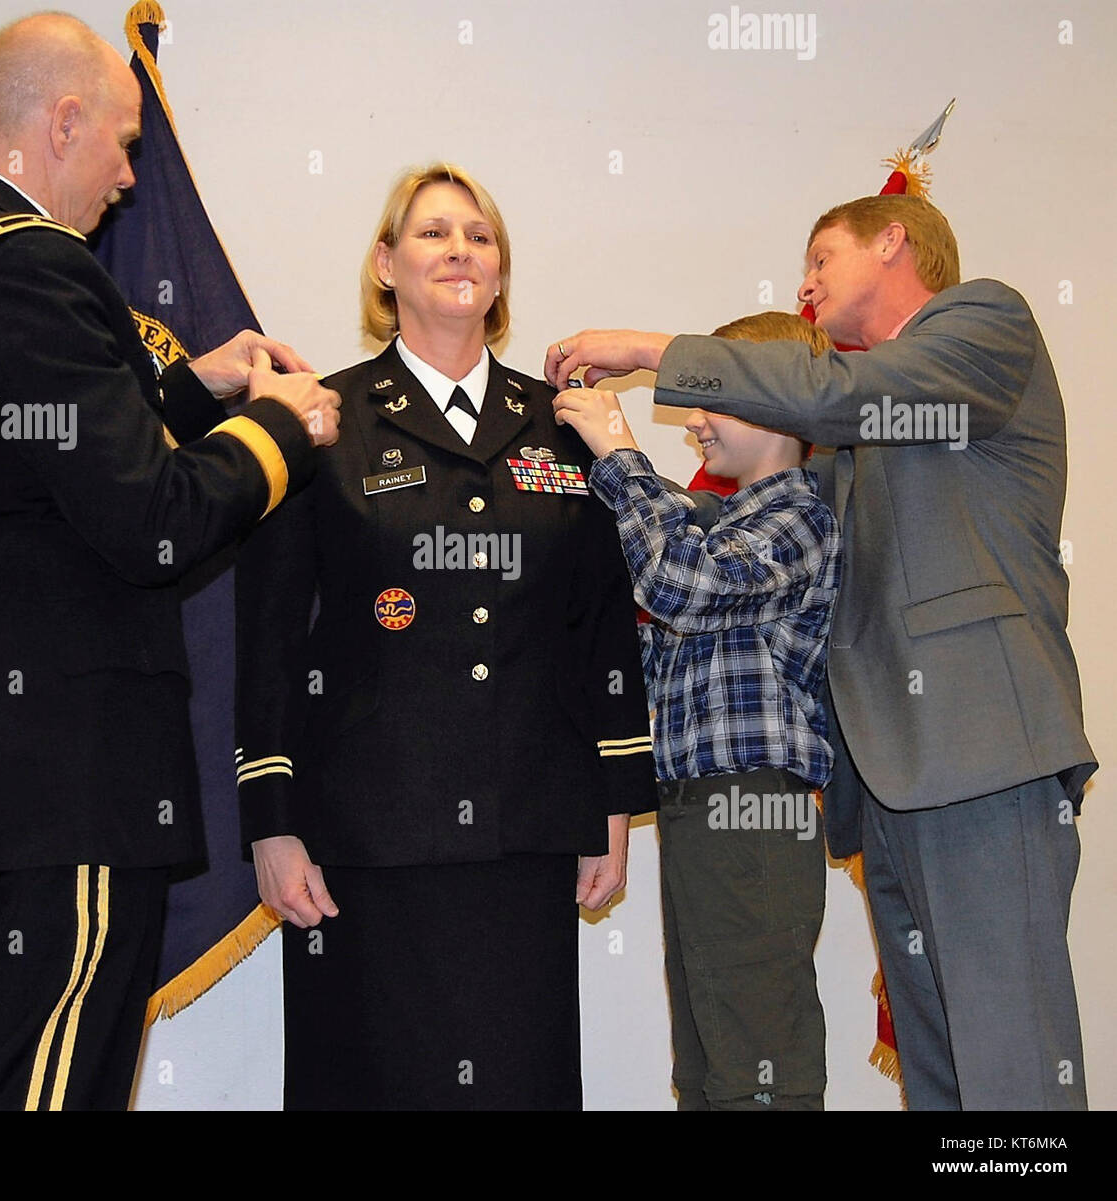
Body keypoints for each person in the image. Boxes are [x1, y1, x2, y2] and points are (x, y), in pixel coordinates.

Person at [0, 12, 341, 1110]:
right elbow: (150, 519)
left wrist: (187, 388)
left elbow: (21, 469)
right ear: (62, 123)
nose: (127, 174)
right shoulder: (31, 269)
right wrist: (278, 431)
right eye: (122, 140)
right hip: (63, 781)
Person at [545, 193, 1096, 1111]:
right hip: (885, 783)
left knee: (1013, 1072)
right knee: (943, 1077)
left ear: (892, 241)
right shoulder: (840, 444)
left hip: (981, 753)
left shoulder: (982, 324)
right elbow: (718, 544)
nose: (804, 285)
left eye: (820, 258)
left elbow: (829, 393)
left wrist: (650, 353)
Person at [235, 163, 655, 1110]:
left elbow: (599, 627)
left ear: (500, 276)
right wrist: (273, 818)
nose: (459, 250)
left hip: (528, 828)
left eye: (479, 235)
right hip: (364, 835)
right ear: (385, 264)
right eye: (431, 233)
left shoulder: (561, 427)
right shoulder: (319, 421)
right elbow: (270, 636)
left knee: (519, 1082)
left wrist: (614, 800)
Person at [554, 311, 839, 1110]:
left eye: (715, 397)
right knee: (710, 1058)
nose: (694, 418)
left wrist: (620, 454)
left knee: (758, 1057)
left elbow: (683, 584)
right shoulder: (721, 520)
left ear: (779, 405)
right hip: (696, 801)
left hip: (749, 802)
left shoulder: (798, 516)